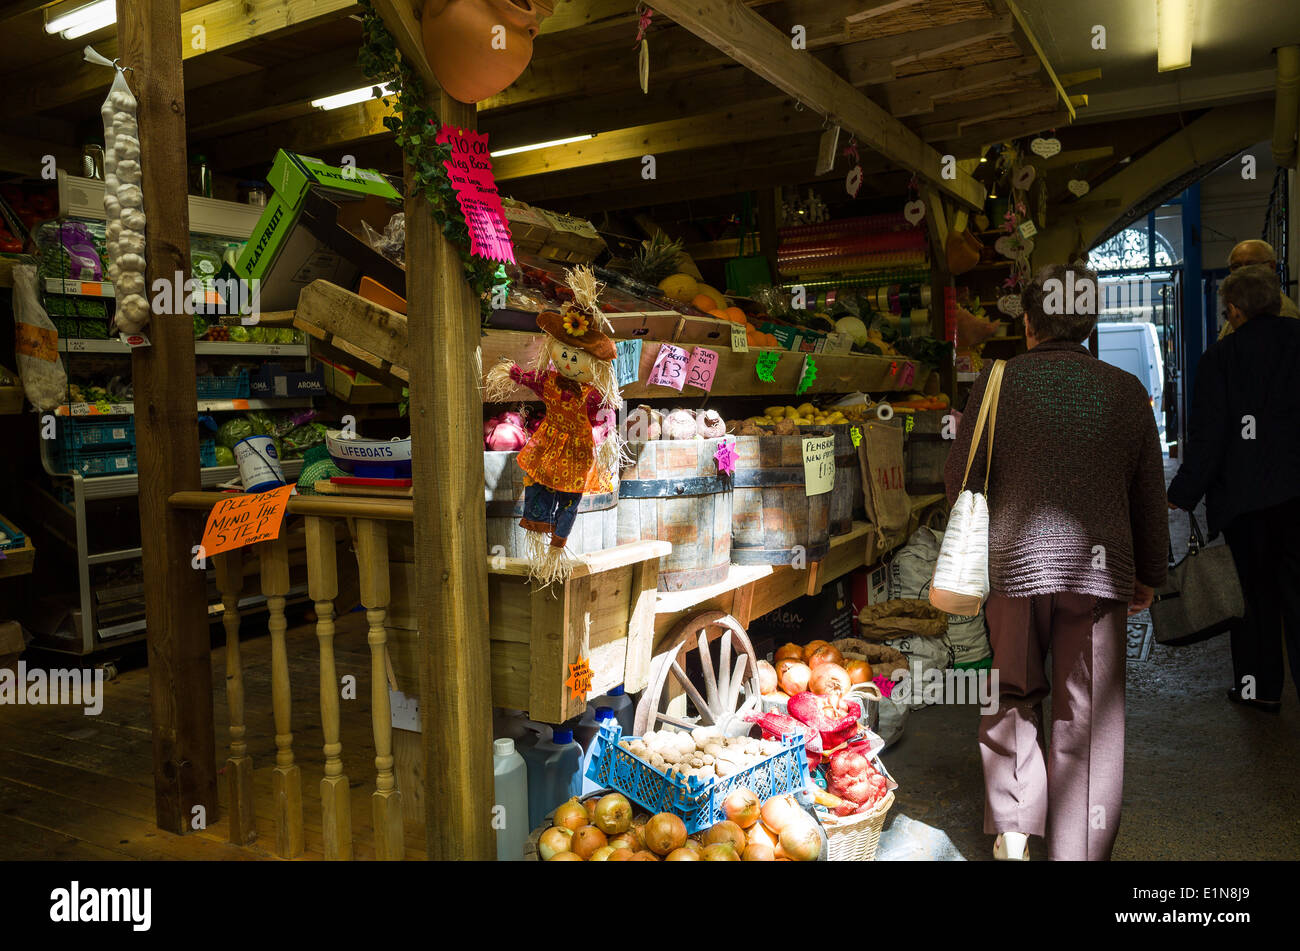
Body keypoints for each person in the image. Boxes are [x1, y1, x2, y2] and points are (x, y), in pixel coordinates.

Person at [945, 264, 1168, 862]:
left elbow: (959, 481)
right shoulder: (1125, 391)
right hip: (1096, 577)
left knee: (1012, 692)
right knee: (1088, 715)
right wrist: (1150, 573)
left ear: (1026, 323)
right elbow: (1149, 493)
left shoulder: (994, 383)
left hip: (1012, 569)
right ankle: (1079, 850)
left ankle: (1014, 828)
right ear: (1090, 321)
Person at [1168, 264, 1300, 712]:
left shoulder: (1220, 358)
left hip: (1246, 504)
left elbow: (1211, 438)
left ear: (1234, 310)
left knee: (1253, 600)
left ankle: (1259, 690)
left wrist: (1183, 492)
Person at [1216, 239, 1298, 340]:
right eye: (1236, 266)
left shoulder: (1283, 310)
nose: (1243, 272)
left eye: (1251, 265)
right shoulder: (1238, 308)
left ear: (1272, 267)